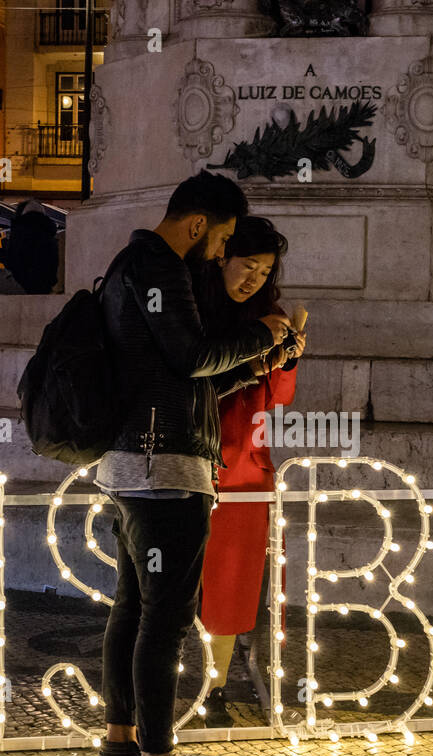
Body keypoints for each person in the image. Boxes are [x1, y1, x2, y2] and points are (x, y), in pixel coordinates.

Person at [91, 171, 291, 756]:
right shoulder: (160, 268)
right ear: (201, 223)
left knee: (132, 608)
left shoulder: (129, 264)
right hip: (165, 471)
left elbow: (180, 374)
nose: (222, 251)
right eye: (226, 237)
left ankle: (121, 746)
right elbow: (190, 357)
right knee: (165, 620)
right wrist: (264, 335)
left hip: (132, 463)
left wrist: (254, 363)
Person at [189, 217, 306, 729]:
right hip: (194, 459)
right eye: (246, 266)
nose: (254, 278)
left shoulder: (270, 316)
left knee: (234, 580)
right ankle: (181, 677)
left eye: (265, 270)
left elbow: (280, 399)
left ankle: (212, 687)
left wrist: (287, 361)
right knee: (187, 580)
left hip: (246, 467)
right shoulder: (197, 313)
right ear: (222, 259)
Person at [0, 199, 61, 299]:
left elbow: (14, 260)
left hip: (24, 284)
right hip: (45, 287)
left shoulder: (22, 228)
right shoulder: (49, 233)